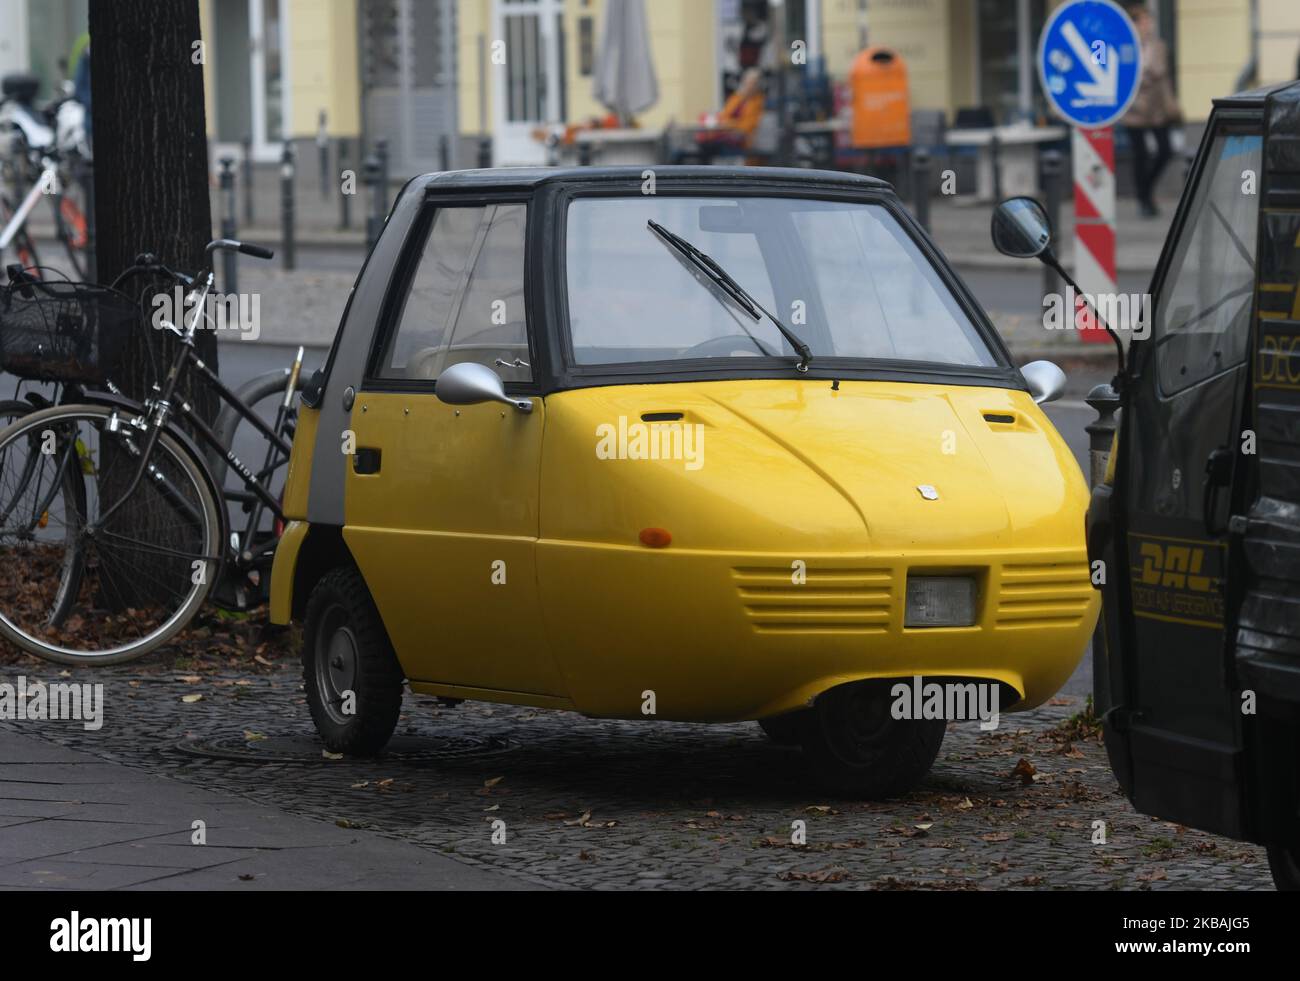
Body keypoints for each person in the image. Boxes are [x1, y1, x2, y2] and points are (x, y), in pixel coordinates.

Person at [1122, 3, 1181, 218]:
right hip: (1134, 109)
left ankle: (1146, 189)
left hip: (1157, 109)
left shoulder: (1159, 46)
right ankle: (1144, 200)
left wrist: (1171, 103)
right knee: (1141, 155)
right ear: (1134, 24)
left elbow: (1161, 76)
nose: (1148, 25)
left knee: (1165, 150)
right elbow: (1125, 78)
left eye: (1149, 21)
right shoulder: (1126, 46)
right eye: (1143, 21)